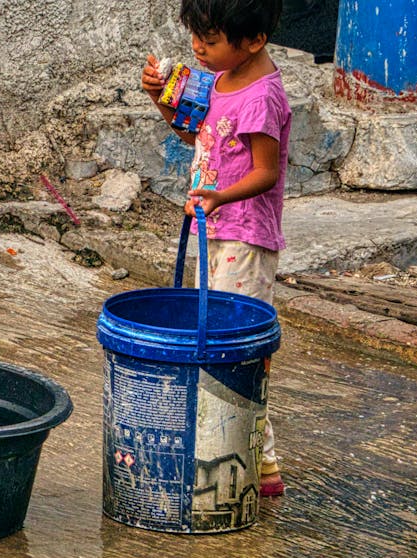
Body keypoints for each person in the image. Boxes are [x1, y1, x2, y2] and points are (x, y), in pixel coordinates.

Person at [140, 0, 290, 497]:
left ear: (253, 42)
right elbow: (197, 134)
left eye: (210, 39)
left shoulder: (261, 96)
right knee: (213, 344)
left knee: (230, 351)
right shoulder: (222, 78)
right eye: (195, 35)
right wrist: (162, 100)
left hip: (244, 236)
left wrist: (221, 196)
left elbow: (265, 172)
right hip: (215, 227)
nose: (197, 48)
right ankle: (241, 458)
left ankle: (257, 465)